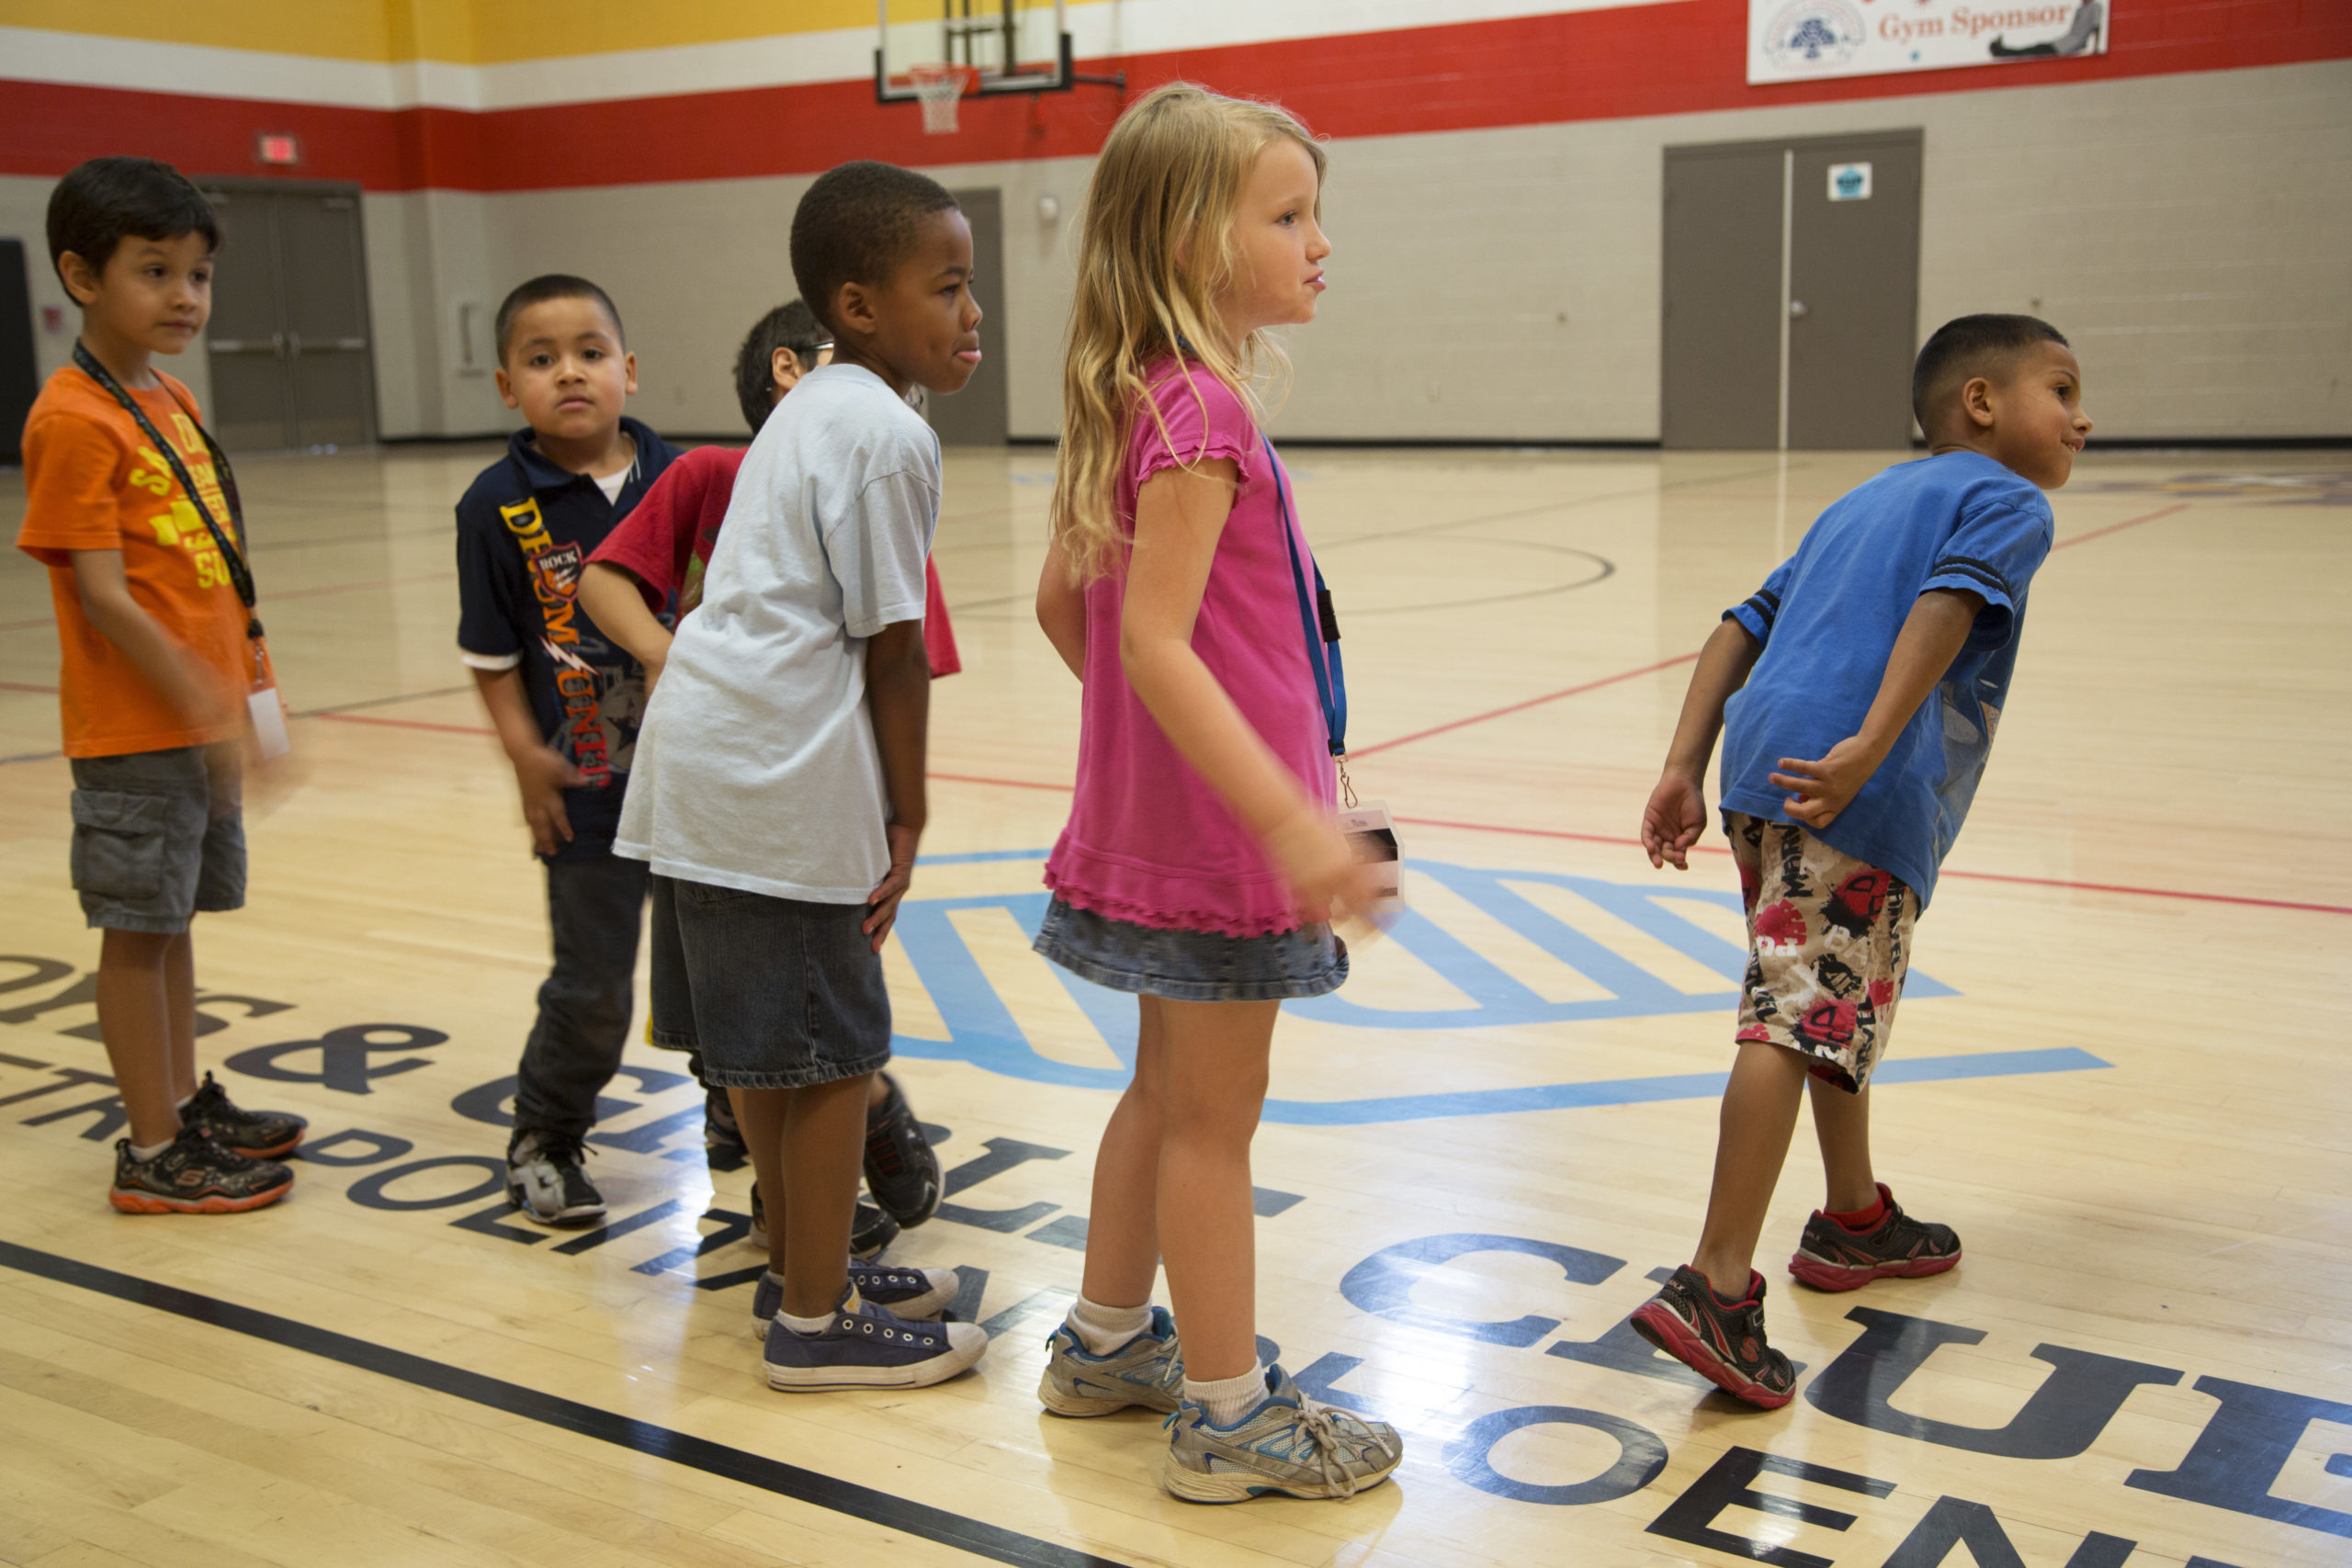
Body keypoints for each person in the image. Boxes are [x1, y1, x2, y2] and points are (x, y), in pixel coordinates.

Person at [1029, 84, 1400, 1504]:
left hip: (1161, 837)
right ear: (1192, 238)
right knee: (1211, 1124)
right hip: (1222, 852)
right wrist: (1283, 816)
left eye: (1318, 213)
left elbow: (1069, 602)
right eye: (1290, 214)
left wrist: (1148, 767)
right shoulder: (1199, 410)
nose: (1319, 243)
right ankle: (1229, 1416)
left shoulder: (1148, 396)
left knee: (1159, 1090)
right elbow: (1148, 641)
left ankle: (1109, 1341)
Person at [1629, 314, 2094, 1407]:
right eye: (2061, 390)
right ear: (1980, 403)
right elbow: (1948, 606)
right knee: (1792, 1017)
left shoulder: (1862, 499)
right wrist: (1866, 752)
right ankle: (1714, 1284)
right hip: (1849, 785)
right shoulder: (2006, 500)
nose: (2084, 418)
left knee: (1821, 997)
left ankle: (1852, 1220)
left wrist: (1680, 765)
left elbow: (1738, 625)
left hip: (1758, 772)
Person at [614, 162, 985, 1391]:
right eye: (948, 285)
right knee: (830, 1056)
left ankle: (799, 1262)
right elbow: (896, 647)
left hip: (699, 765)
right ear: (859, 304)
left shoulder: (815, 405)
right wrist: (909, 808)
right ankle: (816, 1327)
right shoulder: (886, 431)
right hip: (776, 772)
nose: (972, 310)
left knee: (765, 1053)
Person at [578, 298, 953, 1261]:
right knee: (779, 1040)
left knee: (801, 1025)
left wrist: (890, 808)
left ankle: (804, 1231)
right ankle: (809, 1280)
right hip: (734, 790)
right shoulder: (734, 470)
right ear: (794, 371)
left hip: (803, 794)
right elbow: (601, 580)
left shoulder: (863, 481)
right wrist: (672, 656)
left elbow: (902, 668)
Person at [17, 156, 308, 1214]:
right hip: (137, 728)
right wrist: (194, 696)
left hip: (197, 719)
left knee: (176, 918)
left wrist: (245, 691)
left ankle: (180, 1102)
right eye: (156, 272)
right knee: (137, 933)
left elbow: (209, 566)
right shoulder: (71, 419)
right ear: (82, 277)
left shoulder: (166, 397)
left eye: (199, 274)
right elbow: (102, 595)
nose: (186, 297)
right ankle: (150, 1152)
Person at [454, 274, 677, 1226]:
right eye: (541, 361)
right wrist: (522, 758)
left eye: (590, 353)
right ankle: (544, 1133)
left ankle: (739, 1119)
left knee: (711, 973)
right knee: (591, 987)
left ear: (628, 369)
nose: (570, 374)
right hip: (586, 788)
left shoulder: (687, 480)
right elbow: (491, 656)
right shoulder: (495, 506)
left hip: (699, 789)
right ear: (508, 386)